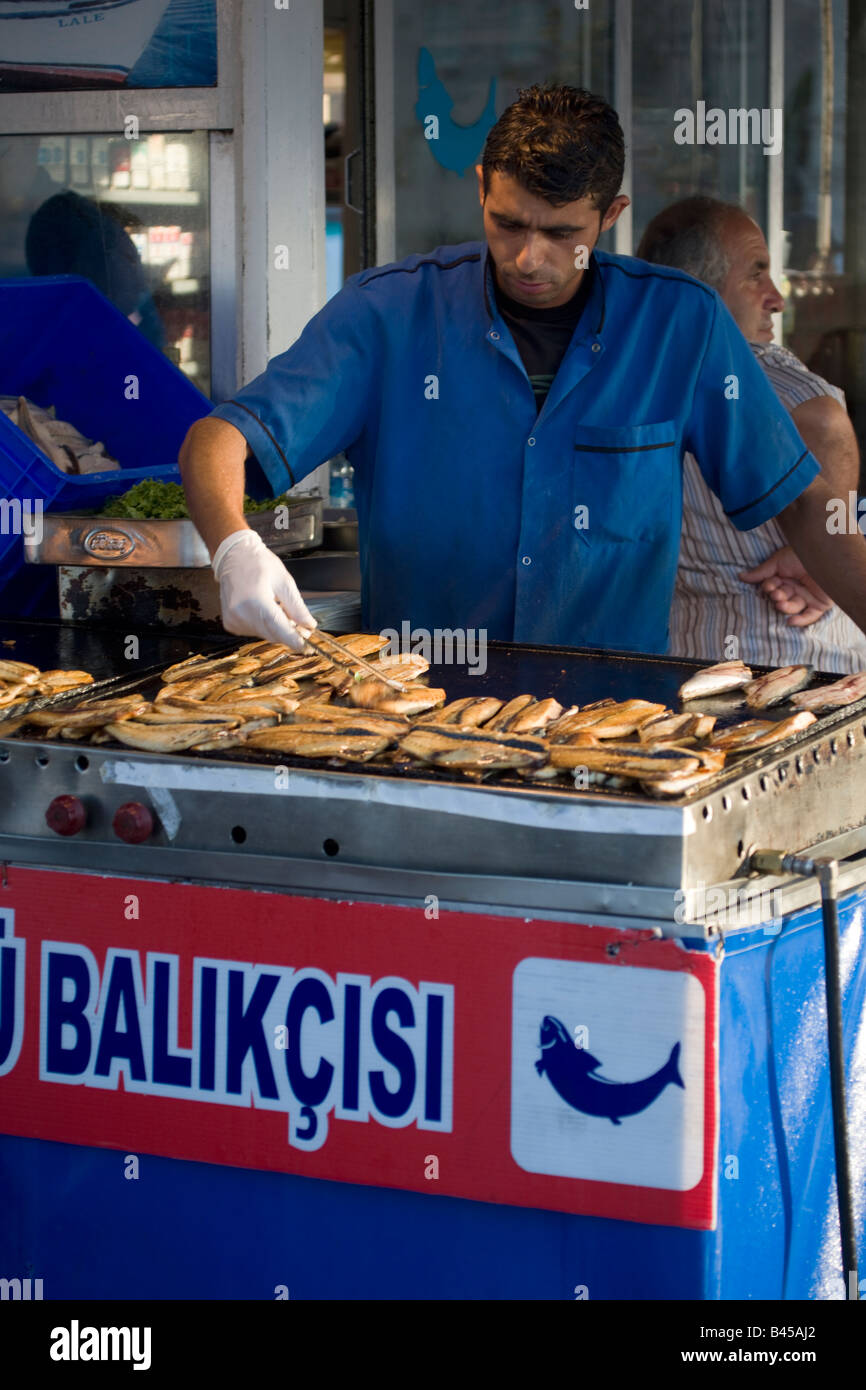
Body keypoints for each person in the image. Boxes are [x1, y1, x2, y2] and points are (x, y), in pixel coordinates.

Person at [179, 85, 866, 656]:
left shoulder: (678, 324)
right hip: (422, 716)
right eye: (508, 224)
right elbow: (220, 438)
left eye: (562, 234)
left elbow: (806, 503)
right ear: (481, 188)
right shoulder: (387, 314)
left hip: (615, 725)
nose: (529, 258)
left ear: (610, 216)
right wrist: (234, 547)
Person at [636, 196, 866, 672]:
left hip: (687, 659)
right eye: (755, 274)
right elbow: (824, 416)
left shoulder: (637, 376)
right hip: (803, 661)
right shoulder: (750, 366)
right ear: (700, 291)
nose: (776, 298)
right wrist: (820, 554)